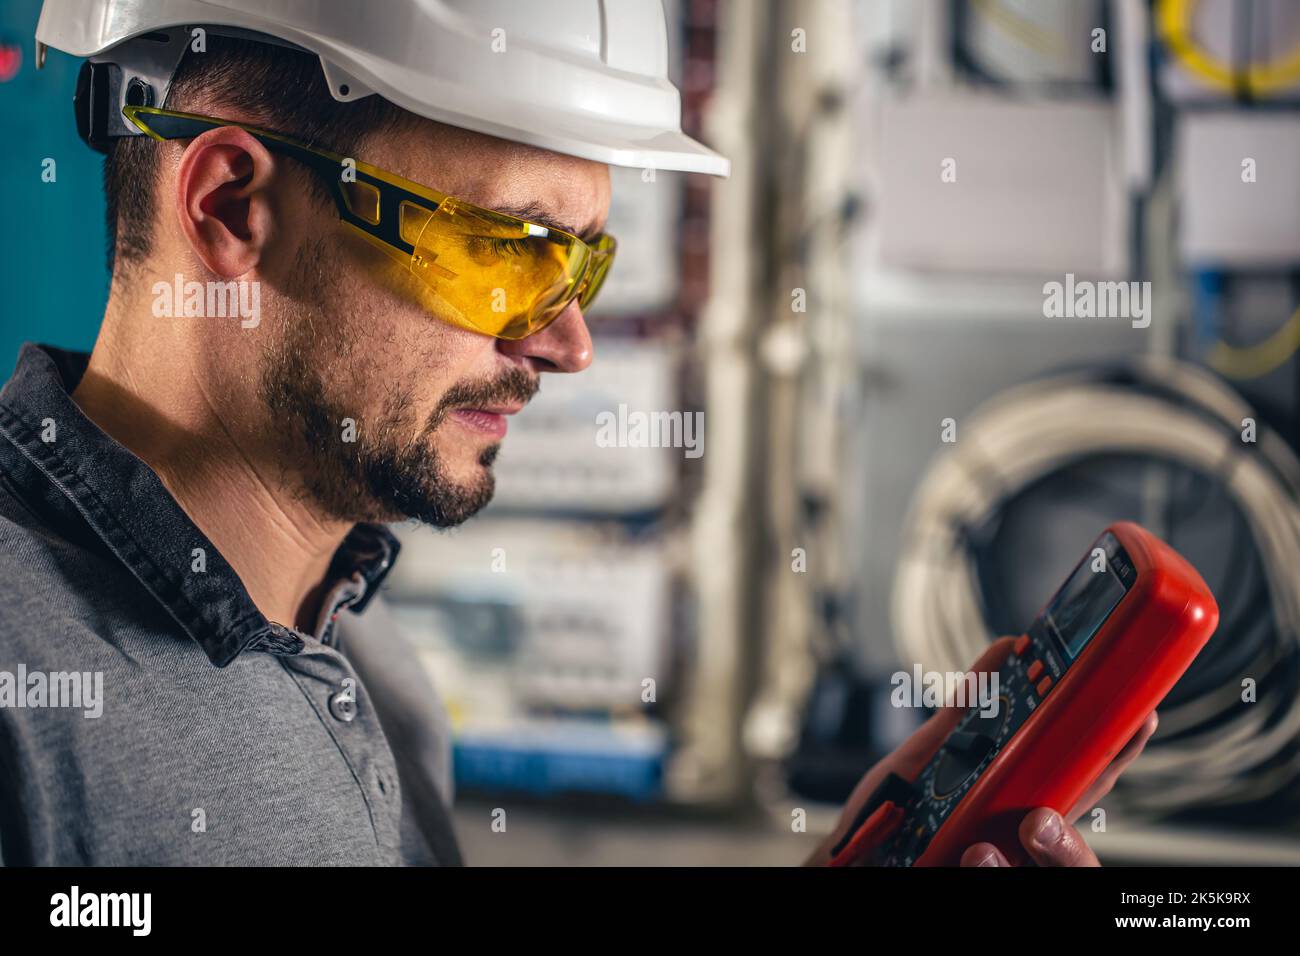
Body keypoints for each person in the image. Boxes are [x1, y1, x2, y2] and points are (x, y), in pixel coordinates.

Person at [0, 0, 1151, 866]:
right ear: (230, 206)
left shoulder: (365, 654)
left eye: (584, 260)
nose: (569, 343)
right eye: (511, 246)